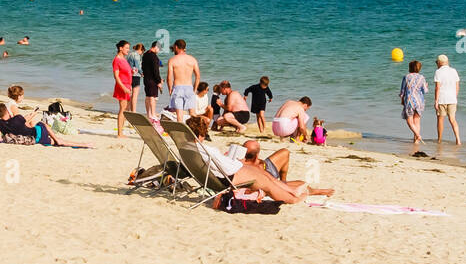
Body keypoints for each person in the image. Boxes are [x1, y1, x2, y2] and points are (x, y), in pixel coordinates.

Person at [184, 116, 331, 203]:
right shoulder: (205, 149)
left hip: (221, 175)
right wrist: (238, 161)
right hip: (229, 176)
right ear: (201, 133)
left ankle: (292, 191)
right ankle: (294, 198)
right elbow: (227, 168)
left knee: (265, 175)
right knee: (267, 183)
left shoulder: (186, 147)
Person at [0, 102, 91, 147]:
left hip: (34, 139)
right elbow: (26, 119)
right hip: (37, 134)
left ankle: (82, 144)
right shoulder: (17, 119)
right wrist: (34, 114)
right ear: (8, 112)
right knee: (41, 123)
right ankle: (59, 140)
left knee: (53, 142)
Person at [165, 39, 200, 123]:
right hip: (189, 88)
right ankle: (198, 133)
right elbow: (198, 76)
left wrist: (170, 90)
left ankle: (181, 135)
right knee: (193, 114)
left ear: (176, 47)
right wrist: (194, 90)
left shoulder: (172, 60)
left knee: (179, 116)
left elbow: (169, 77)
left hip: (177, 88)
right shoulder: (192, 59)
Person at [434, 54, 462, 146]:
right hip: (452, 98)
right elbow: (457, 85)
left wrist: (436, 101)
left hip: (442, 99)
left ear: (439, 63)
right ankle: (458, 140)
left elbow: (437, 87)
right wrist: (455, 96)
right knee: (453, 120)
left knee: (440, 119)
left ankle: (439, 140)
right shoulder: (454, 71)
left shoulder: (438, 72)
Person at [399, 59, 427, 145]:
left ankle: (418, 135)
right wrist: (426, 86)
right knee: (417, 121)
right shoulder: (422, 77)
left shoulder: (406, 77)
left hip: (409, 101)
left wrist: (402, 101)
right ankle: (416, 141)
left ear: (410, 68)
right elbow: (425, 91)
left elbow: (402, 92)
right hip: (420, 102)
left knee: (409, 121)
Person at [111, 40, 134, 138]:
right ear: (121, 48)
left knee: (126, 109)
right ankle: (119, 133)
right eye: (127, 48)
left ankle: (121, 131)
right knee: (123, 109)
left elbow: (126, 72)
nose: (128, 50)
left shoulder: (124, 59)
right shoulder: (117, 60)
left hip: (128, 86)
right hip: (122, 87)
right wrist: (124, 88)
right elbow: (116, 76)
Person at [141, 41, 162, 119]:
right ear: (156, 47)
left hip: (146, 78)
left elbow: (142, 66)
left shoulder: (145, 54)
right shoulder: (154, 57)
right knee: (152, 96)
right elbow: (156, 70)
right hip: (152, 79)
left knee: (148, 96)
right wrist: (159, 81)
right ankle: (153, 114)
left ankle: (149, 114)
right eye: (159, 49)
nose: (159, 51)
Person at [128, 43, 143, 112]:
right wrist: (142, 73)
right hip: (136, 75)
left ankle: (128, 109)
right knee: (135, 95)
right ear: (140, 49)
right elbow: (138, 67)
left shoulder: (130, 54)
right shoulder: (136, 55)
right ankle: (133, 111)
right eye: (142, 51)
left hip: (129, 75)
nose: (142, 53)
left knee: (130, 94)